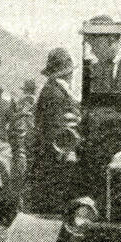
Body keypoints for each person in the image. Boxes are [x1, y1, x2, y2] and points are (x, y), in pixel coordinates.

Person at [25, 47, 81, 215]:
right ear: (67, 73)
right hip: (54, 160)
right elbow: (56, 132)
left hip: (51, 158)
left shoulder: (55, 90)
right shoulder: (54, 93)